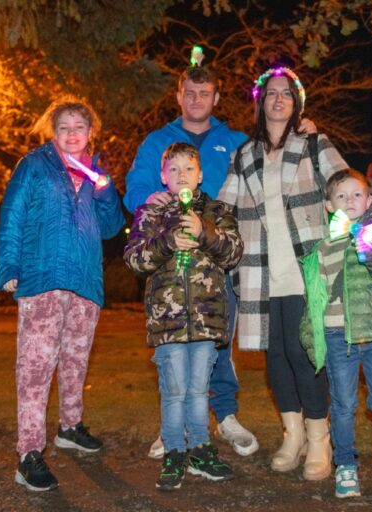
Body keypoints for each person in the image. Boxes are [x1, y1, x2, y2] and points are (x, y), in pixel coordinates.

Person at [218, 66, 347, 481]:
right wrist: (197, 226)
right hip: (258, 270)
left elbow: (345, 188)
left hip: (306, 267)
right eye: (271, 93)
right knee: (275, 358)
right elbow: (225, 207)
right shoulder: (244, 155)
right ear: (260, 102)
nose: (278, 100)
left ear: (296, 104)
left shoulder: (313, 143)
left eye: (286, 95)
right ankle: (292, 435)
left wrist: (354, 231)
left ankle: (319, 437)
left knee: (303, 351)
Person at [123, 64, 258, 459]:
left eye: (205, 94)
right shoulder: (156, 142)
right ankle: (175, 426)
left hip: (215, 262)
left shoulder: (233, 141)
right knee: (173, 348)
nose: (196, 100)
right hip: (168, 264)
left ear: (215, 98)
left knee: (216, 342)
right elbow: (135, 193)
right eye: (189, 93)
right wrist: (154, 203)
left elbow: (266, 162)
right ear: (179, 95)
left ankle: (226, 416)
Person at [0, 97, 125, 492]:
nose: (72, 134)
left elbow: (112, 227)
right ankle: (29, 454)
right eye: (64, 127)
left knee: (75, 361)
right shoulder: (35, 165)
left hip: (84, 281)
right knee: (35, 369)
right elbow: (12, 215)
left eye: (79, 128)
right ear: (53, 131)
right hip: (42, 276)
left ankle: (70, 426)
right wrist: (8, 267)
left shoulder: (95, 174)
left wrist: (105, 193)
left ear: (90, 133)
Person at [123, 142, 242, 490]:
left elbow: (233, 254)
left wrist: (205, 233)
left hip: (206, 321)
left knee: (198, 389)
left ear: (201, 174)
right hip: (168, 323)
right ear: (163, 177)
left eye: (188, 168)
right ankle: (175, 452)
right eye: (173, 170)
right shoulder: (151, 214)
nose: (181, 175)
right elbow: (134, 260)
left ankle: (201, 450)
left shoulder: (217, 211)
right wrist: (167, 241)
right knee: (174, 391)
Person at [299, 169, 372, 500]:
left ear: (368, 199)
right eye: (342, 196)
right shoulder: (321, 248)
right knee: (343, 405)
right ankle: (345, 465)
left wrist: (371, 248)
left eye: (357, 194)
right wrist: (311, 335)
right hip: (337, 337)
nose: (350, 201)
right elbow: (314, 299)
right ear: (330, 206)